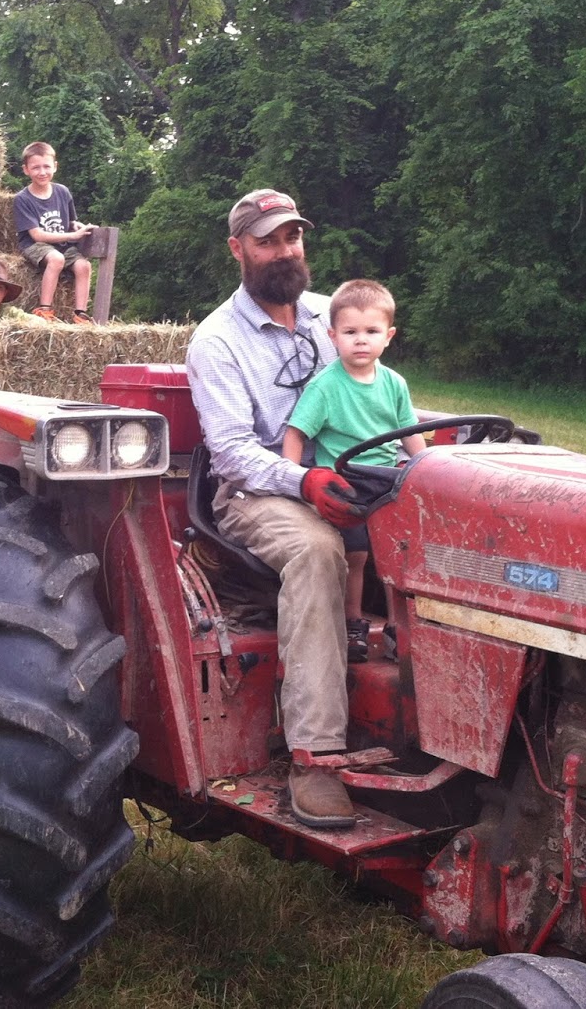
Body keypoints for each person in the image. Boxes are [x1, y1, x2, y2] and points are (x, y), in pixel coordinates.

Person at [185, 188, 367, 831]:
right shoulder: (217, 341)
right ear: (238, 250)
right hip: (252, 495)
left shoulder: (331, 316)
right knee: (319, 551)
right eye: (267, 240)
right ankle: (315, 758)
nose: (284, 250)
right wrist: (306, 481)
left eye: (292, 237)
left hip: (346, 477)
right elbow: (232, 454)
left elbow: (376, 396)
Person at [281, 279, 424, 624]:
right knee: (357, 555)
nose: (361, 340)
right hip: (346, 484)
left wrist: (423, 469)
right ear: (333, 337)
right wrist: (294, 481)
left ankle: (399, 627)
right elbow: (295, 434)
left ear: (389, 336)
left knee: (400, 551)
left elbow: (410, 434)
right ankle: (353, 619)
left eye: (372, 331)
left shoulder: (394, 383)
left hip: (387, 481)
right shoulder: (325, 386)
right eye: (350, 332)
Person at [13, 141, 95, 323]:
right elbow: (36, 235)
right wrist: (72, 236)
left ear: (55, 167)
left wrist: (81, 228)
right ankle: (45, 309)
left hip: (62, 244)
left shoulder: (62, 192)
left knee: (84, 266)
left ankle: (80, 313)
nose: (42, 172)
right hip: (35, 245)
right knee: (57, 259)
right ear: (26, 170)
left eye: (46, 166)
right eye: (35, 168)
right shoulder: (22, 199)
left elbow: (71, 222)